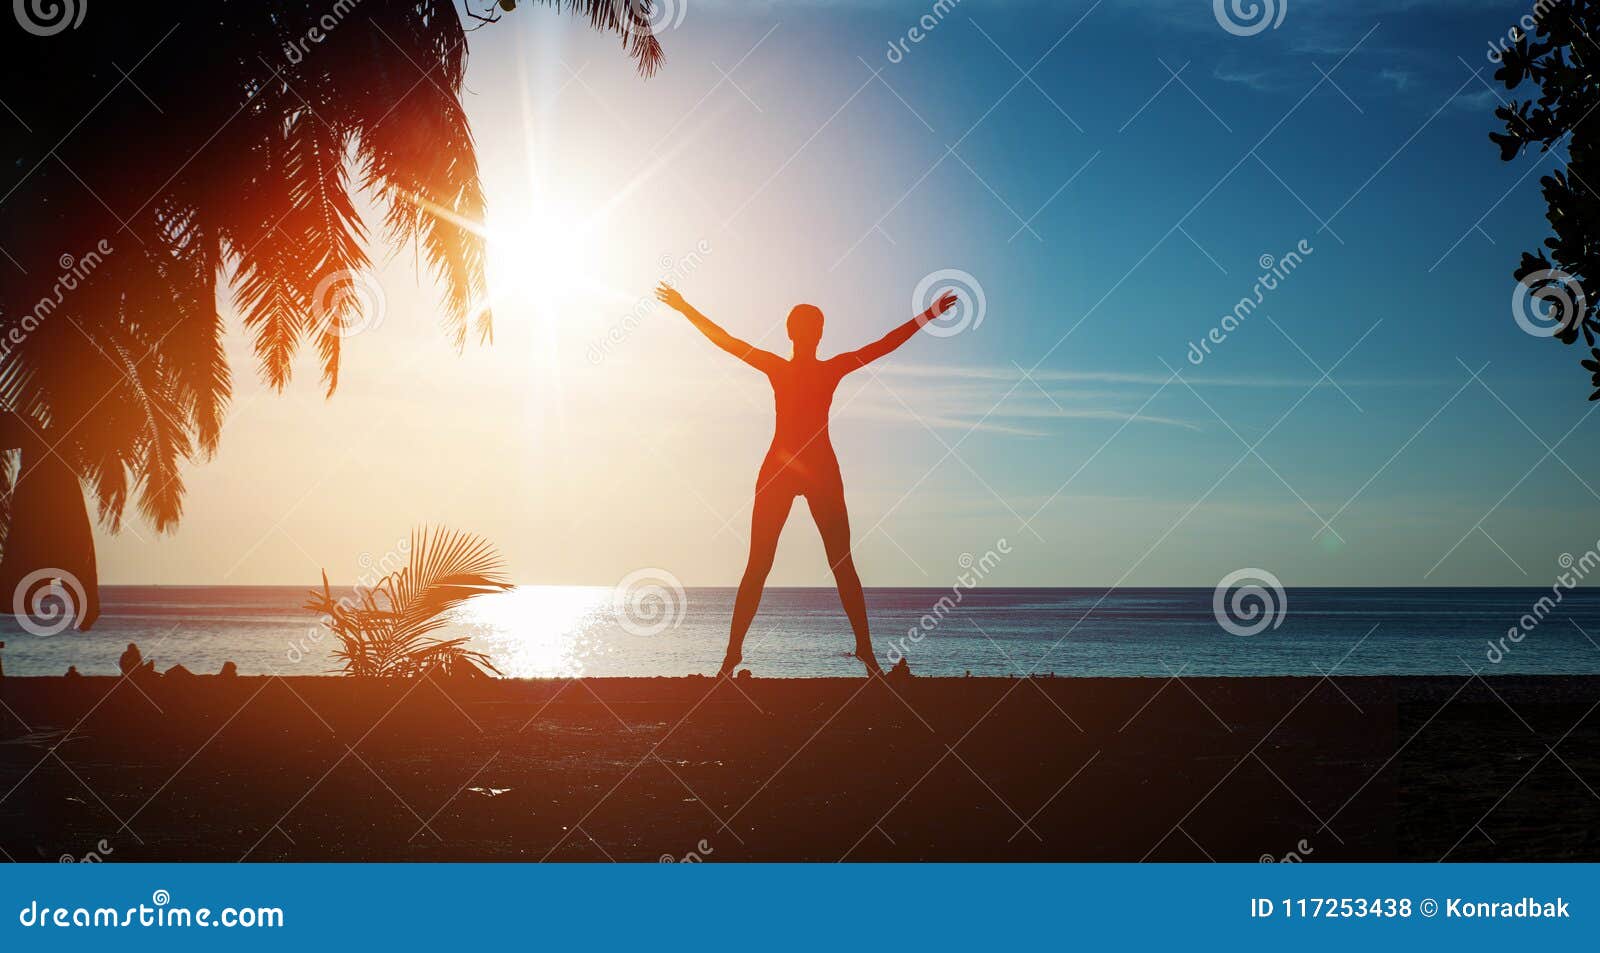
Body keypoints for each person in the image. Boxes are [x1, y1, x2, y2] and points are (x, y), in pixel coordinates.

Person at [656, 282, 960, 677]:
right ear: (815, 334)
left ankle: (742, 658)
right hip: (800, 468)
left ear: (796, 333)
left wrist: (685, 307)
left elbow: (727, 341)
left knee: (784, 565)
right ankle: (746, 656)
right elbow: (884, 344)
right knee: (814, 565)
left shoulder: (790, 368)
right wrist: (928, 315)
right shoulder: (816, 368)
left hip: (801, 468)